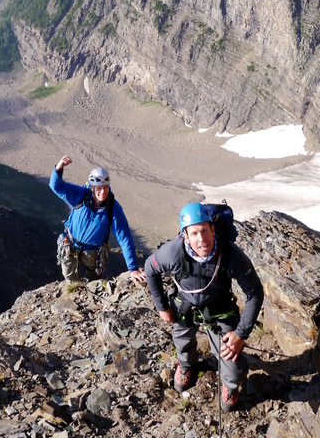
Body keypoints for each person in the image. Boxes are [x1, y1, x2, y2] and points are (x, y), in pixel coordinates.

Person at [145, 201, 263, 411]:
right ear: (185, 236)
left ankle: (231, 385)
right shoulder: (173, 253)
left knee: (232, 362)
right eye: (195, 233)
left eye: (205, 231)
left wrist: (240, 334)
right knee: (181, 340)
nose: (202, 239)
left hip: (220, 310)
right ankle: (186, 364)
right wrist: (162, 306)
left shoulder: (230, 256)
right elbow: (150, 268)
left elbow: (255, 292)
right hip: (185, 306)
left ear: (213, 229)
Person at [49, 155, 146, 285]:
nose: (103, 192)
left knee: (94, 281)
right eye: (99, 188)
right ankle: (75, 292)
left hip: (93, 251)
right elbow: (56, 186)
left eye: (105, 187)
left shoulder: (112, 207)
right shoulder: (80, 194)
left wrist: (133, 269)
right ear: (91, 187)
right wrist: (58, 168)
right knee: (70, 278)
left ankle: (91, 294)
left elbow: (124, 238)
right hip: (70, 244)